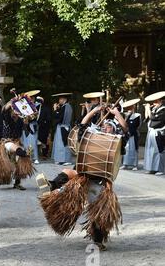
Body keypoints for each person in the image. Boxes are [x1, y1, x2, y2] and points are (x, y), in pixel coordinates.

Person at [37, 103, 128, 251]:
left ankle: (98, 240)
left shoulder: (117, 140)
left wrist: (116, 113)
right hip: (83, 175)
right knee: (68, 172)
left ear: (114, 128)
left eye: (109, 126)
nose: (106, 127)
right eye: (104, 125)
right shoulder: (94, 135)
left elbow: (125, 129)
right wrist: (93, 111)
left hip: (100, 181)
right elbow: (81, 126)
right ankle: (51, 186)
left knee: (99, 212)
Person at [0, 98, 34, 190]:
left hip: (16, 141)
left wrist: (26, 123)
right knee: (17, 151)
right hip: (6, 142)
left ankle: (17, 183)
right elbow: (4, 110)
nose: (16, 112)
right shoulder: (7, 117)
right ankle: (23, 153)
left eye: (18, 111)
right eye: (15, 110)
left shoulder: (20, 119)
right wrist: (11, 102)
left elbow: (26, 131)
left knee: (19, 162)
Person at [143, 91, 165, 176]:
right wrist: (146, 110)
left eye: (155, 101)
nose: (153, 103)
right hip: (151, 131)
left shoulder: (163, 109)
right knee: (150, 150)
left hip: (159, 132)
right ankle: (152, 168)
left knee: (159, 151)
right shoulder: (154, 109)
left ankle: (161, 169)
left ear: (159, 101)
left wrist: (148, 109)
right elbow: (147, 119)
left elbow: (154, 118)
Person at [51, 93, 73, 165]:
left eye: (60, 99)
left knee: (64, 144)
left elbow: (59, 118)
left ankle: (67, 160)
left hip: (63, 127)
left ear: (65, 99)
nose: (59, 100)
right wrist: (57, 110)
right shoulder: (64, 106)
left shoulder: (66, 106)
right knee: (60, 144)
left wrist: (55, 110)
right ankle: (61, 159)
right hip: (62, 127)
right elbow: (60, 115)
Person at [121, 99, 142, 171]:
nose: (129, 109)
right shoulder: (126, 115)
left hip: (134, 134)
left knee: (134, 149)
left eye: (131, 107)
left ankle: (134, 165)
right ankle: (125, 164)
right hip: (127, 134)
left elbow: (138, 125)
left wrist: (132, 132)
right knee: (126, 149)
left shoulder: (137, 115)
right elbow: (124, 124)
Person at [21, 90, 40, 164]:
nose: (30, 99)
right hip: (25, 125)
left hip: (32, 125)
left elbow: (37, 116)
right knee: (26, 142)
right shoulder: (24, 105)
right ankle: (27, 157)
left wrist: (30, 117)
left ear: (33, 98)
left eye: (31, 98)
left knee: (33, 141)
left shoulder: (37, 105)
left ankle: (35, 158)